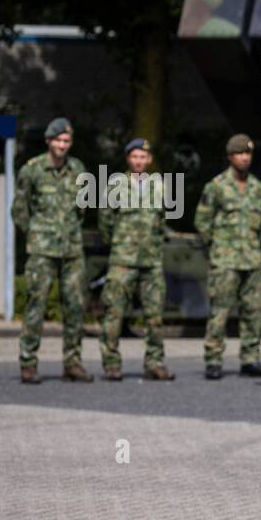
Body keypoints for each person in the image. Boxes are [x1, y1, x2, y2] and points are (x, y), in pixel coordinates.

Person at [12, 117, 92, 383]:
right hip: (43, 249)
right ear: (48, 141)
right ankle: (28, 363)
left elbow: (82, 209)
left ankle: (72, 363)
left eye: (66, 141)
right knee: (37, 305)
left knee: (75, 306)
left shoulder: (78, 169)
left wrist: (69, 231)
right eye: (58, 140)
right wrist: (35, 233)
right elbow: (19, 209)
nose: (62, 145)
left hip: (72, 249)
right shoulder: (32, 169)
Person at [98, 139, 174, 381]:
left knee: (155, 316)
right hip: (123, 259)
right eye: (135, 157)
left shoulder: (160, 186)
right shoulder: (115, 185)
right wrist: (120, 244)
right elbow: (105, 222)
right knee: (114, 312)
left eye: (143, 157)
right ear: (128, 159)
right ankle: (111, 363)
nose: (139, 161)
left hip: (151, 261)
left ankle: (154, 362)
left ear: (149, 160)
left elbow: (161, 222)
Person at [196, 133, 261, 380]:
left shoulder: (259, 188)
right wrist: (217, 248)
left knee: (254, 312)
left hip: (252, 260)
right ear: (230, 156)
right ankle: (214, 359)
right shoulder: (216, 186)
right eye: (239, 153)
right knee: (219, 312)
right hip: (225, 260)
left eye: (248, 153)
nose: (244, 158)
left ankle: (250, 358)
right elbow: (202, 221)